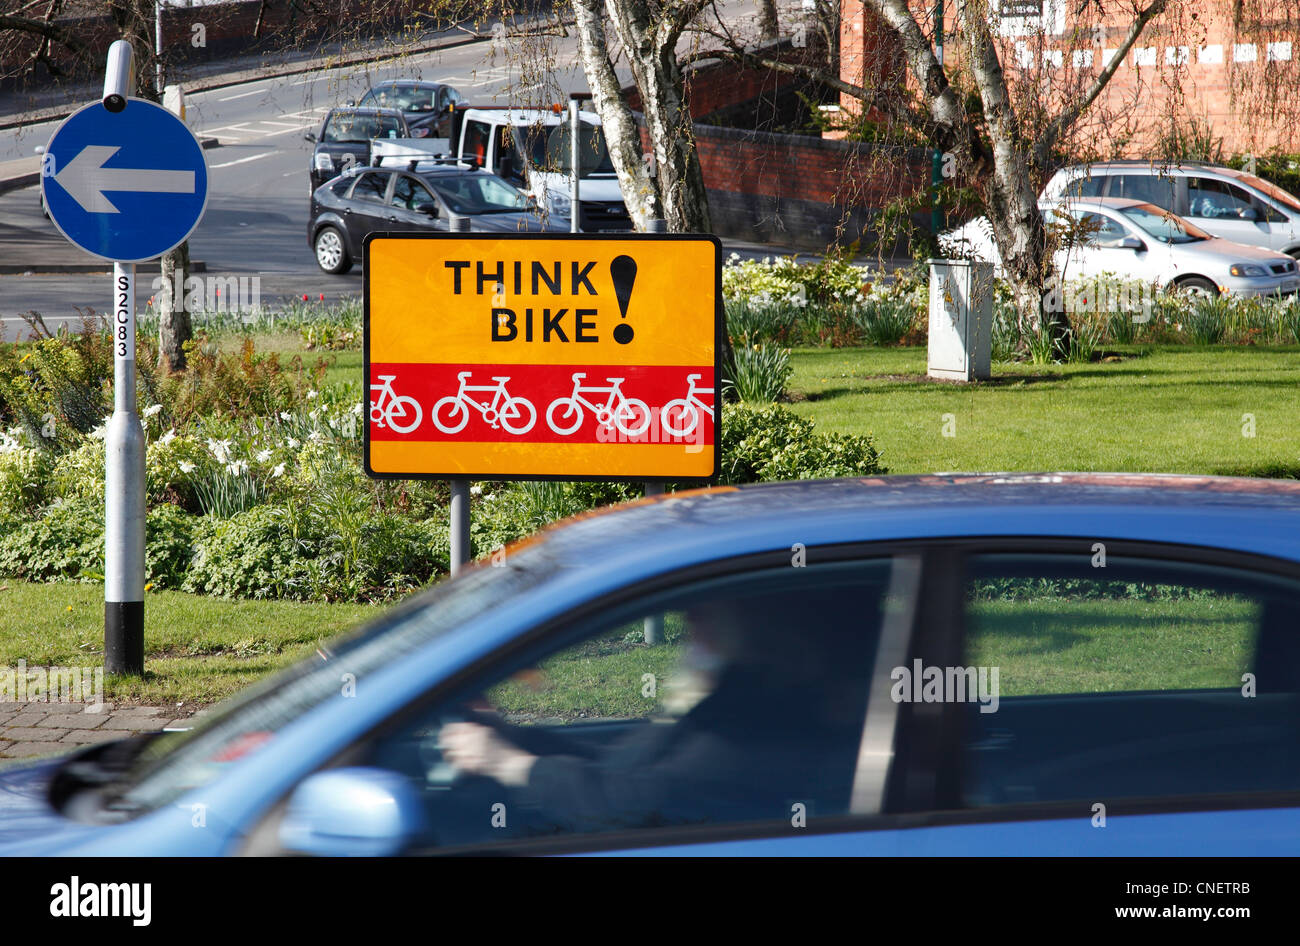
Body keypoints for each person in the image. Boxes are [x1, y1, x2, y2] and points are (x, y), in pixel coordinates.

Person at [439, 591, 873, 834]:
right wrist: (517, 739)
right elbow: (624, 768)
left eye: (708, 610)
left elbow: (630, 805)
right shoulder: (745, 697)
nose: (692, 622)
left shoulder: (770, 729)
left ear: (771, 626)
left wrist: (508, 763)